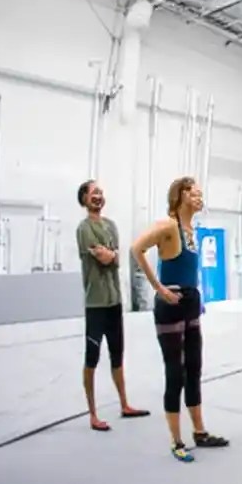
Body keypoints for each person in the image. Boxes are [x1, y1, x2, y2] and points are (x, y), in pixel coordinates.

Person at [131, 177, 229, 462]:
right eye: (193, 191)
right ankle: (176, 440)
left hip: (190, 302)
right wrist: (159, 288)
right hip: (170, 303)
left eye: (199, 192)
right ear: (180, 195)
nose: (199, 196)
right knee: (175, 373)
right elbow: (137, 248)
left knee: (194, 369)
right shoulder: (167, 226)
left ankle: (199, 431)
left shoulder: (191, 230)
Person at [75, 180, 148, 431]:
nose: (98, 196)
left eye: (101, 193)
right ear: (84, 199)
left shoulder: (112, 226)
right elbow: (104, 256)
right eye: (94, 193)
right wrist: (109, 254)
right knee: (92, 358)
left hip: (114, 302)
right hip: (95, 304)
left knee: (117, 355)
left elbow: (114, 257)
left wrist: (110, 254)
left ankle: (124, 404)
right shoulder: (84, 229)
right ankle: (93, 414)